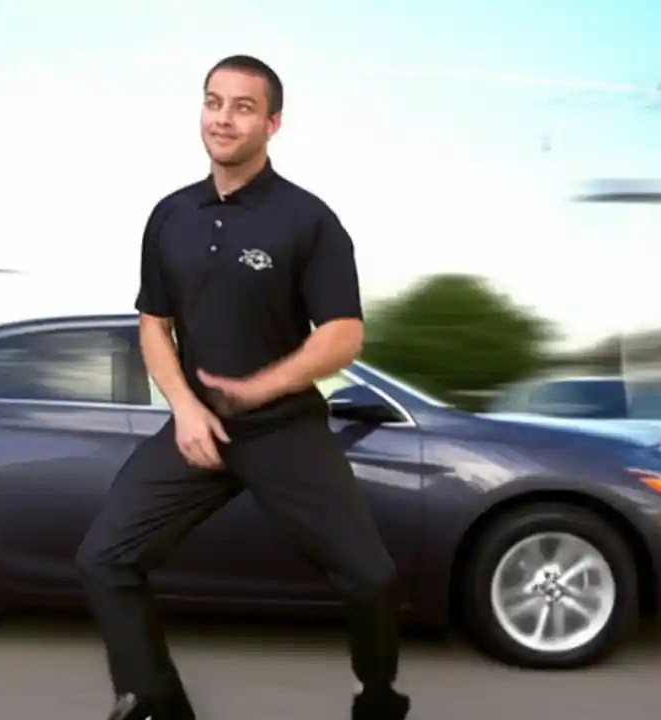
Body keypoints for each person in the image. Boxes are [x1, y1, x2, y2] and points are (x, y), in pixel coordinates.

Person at [75, 54, 411, 720]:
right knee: (102, 558)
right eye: (213, 102)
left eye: (242, 107)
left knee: (371, 579)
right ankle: (155, 701)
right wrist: (187, 411)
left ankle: (377, 696)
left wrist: (260, 389)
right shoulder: (170, 216)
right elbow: (152, 327)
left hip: (284, 428)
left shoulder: (307, 220)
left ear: (273, 123)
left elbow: (342, 335)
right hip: (199, 427)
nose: (223, 118)